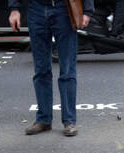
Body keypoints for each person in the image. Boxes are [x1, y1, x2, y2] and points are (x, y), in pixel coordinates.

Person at [9, 0, 94, 137]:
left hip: (64, 9)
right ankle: (43, 119)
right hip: (36, 8)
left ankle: (69, 121)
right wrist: (14, 9)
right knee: (41, 69)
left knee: (67, 69)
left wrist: (87, 10)